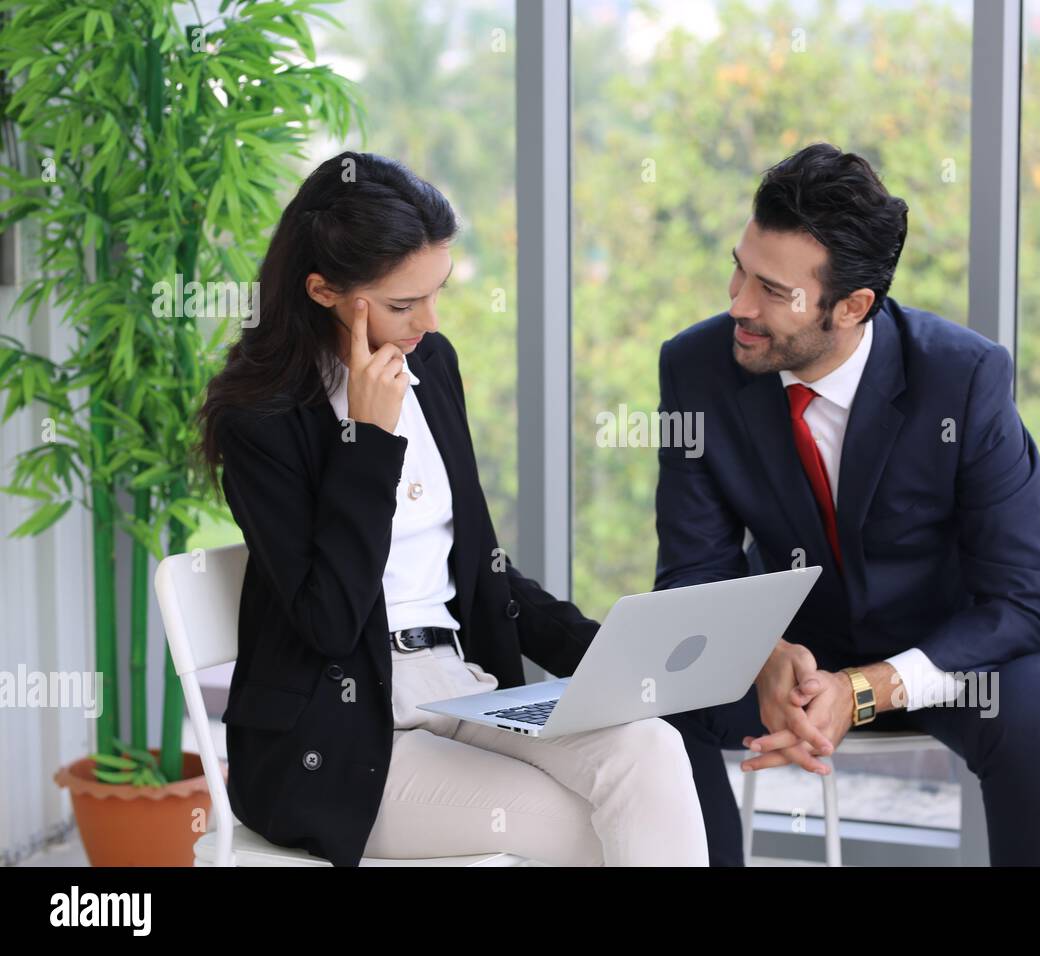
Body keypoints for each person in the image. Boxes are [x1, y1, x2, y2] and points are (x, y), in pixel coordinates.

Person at [195, 151, 707, 867]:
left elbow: (480, 570)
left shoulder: (430, 366)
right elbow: (329, 620)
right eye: (404, 305)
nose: (428, 323)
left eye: (436, 293)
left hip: (460, 684)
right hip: (338, 736)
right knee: (587, 827)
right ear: (322, 290)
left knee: (649, 749)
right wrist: (368, 441)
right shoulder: (262, 419)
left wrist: (607, 654)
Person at [656, 142, 1040, 866]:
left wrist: (867, 690)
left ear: (853, 306)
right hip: (807, 640)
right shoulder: (697, 367)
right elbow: (690, 577)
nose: (739, 304)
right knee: (657, 699)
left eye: (774, 291)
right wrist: (763, 655)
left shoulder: (962, 377)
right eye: (740, 268)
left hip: (969, 639)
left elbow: (1022, 601)